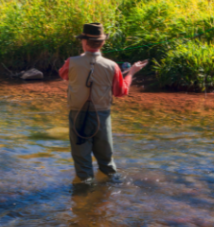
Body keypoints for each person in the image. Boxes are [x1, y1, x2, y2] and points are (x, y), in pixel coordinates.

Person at [58, 23, 148, 186]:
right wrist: (132, 72)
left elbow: (64, 75)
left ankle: (84, 198)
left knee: (81, 159)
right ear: (102, 43)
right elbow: (121, 92)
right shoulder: (112, 66)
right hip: (102, 116)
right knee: (106, 160)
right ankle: (109, 194)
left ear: (84, 41)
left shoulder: (71, 62)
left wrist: (81, 60)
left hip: (77, 114)